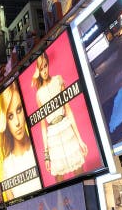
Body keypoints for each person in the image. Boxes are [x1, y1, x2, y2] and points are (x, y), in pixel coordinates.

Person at [32, 52, 88, 181]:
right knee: (59, 179)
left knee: (79, 171)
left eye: (45, 66)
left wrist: (80, 139)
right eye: (41, 68)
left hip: (66, 127)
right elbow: (42, 126)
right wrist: (46, 155)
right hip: (53, 135)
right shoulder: (39, 94)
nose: (44, 71)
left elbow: (68, 109)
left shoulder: (58, 80)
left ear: (48, 64)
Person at [0, 82, 40, 199]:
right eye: (10, 116)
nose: (17, 122)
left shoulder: (40, 146)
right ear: (6, 122)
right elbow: (14, 209)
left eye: (19, 110)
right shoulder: (7, 165)